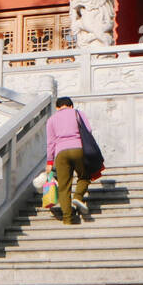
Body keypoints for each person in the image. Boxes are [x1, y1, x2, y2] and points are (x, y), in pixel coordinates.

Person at [45, 96, 93, 225]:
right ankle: (77, 198)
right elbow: (88, 131)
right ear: (71, 106)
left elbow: (50, 143)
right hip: (78, 149)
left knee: (64, 187)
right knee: (85, 175)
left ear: (57, 108)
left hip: (61, 153)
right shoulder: (78, 113)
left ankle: (67, 219)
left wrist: (49, 162)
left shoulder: (51, 120)